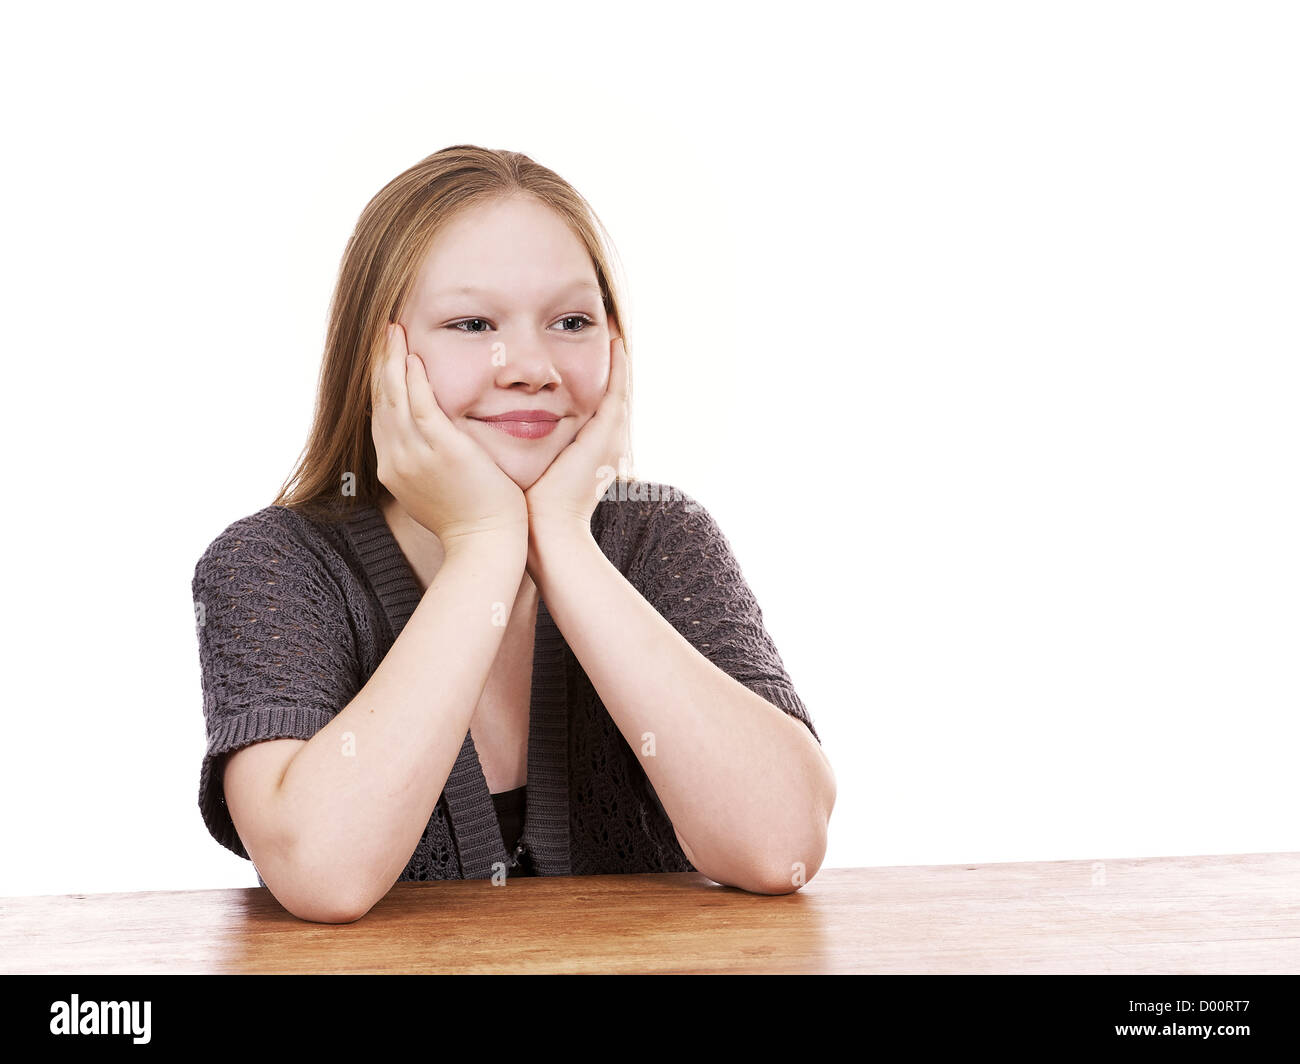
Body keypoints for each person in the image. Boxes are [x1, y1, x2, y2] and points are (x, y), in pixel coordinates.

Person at [191, 144, 835, 923]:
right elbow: (322, 870)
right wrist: (484, 544)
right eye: (473, 323)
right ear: (378, 359)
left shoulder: (662, 539)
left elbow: (782, 844)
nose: (529, 366)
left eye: (571, 321)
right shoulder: (273, 566)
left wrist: (562, 538)